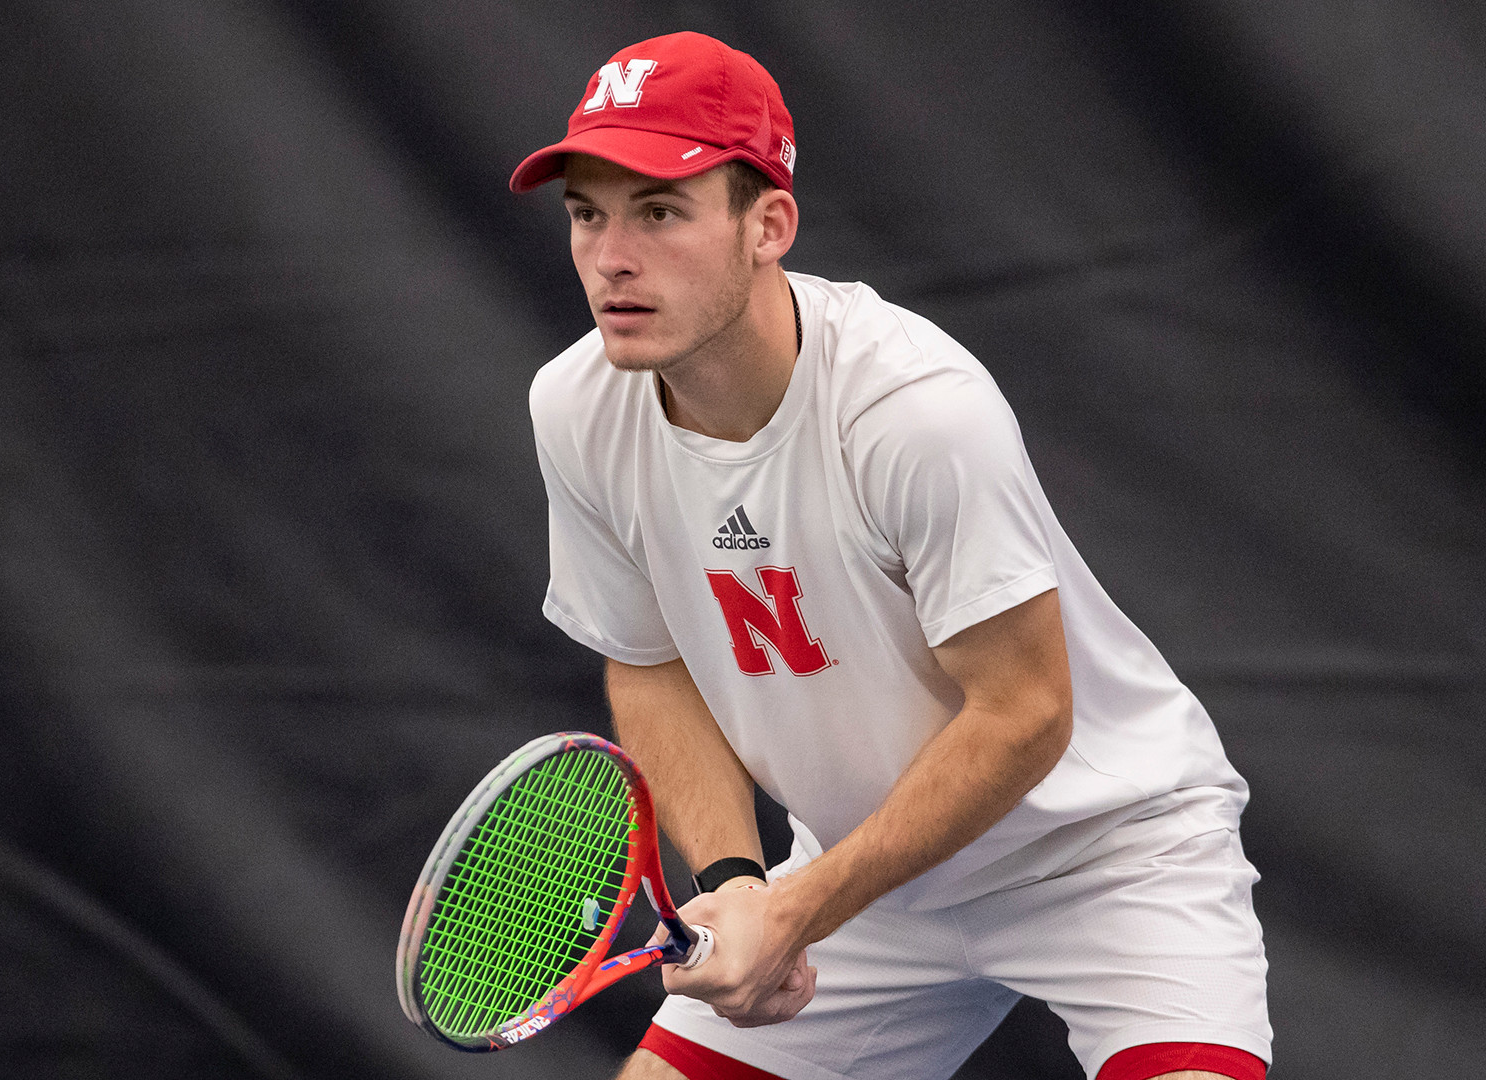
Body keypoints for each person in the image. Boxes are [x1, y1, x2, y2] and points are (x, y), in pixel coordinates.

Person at [509, 31, 1272, 1080]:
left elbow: (1023, 712)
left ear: (768, 225)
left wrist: (799, 911)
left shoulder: (914, 411)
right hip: (870, 871)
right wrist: (738, 884)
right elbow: (649, 663)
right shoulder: (576, 405)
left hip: (1102, 855)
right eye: (587, 214)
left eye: (660, 212)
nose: (611, 258)